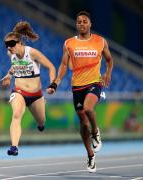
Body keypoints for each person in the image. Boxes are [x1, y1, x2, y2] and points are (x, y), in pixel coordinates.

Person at [48, 11, 113, 172]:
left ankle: (96, 132)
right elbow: (64, 66)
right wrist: (55, 83)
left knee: (88, 108)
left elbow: (109, 60)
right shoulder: (69, 43)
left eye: (85, 21)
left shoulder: (100, 41)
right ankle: (91, 155)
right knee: (83, 124)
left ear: (90, 24)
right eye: (79, 22)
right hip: (77, 86)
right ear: (76, 25)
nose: (81, 24)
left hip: (94, 83)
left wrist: (107, 73)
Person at [0, 21, 56, 156]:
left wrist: (52, 84)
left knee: (41, 121)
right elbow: (15, 66)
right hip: (19, 91)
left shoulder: (33, 53)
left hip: (36, 94)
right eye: (7, 45)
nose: (9, 48)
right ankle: (14, 147)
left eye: (12, 44)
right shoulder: (11, 54)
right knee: (17, 114)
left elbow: (51, 67)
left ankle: (41, 124)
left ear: (20, 43)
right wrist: (9, 75)